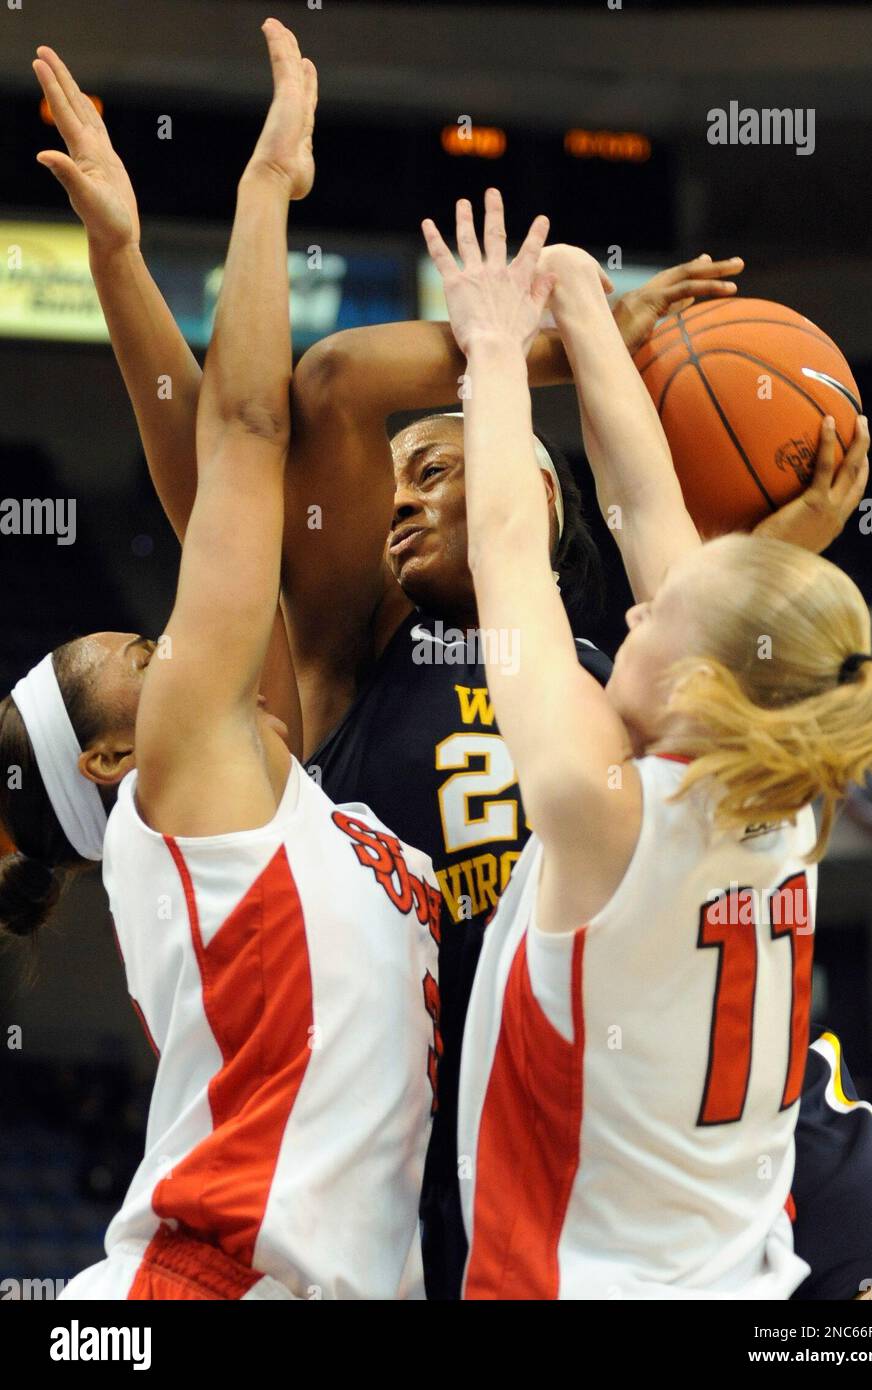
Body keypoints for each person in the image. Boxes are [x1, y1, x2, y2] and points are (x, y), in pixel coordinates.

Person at [31, 46, 872, 1302]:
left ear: (537, 491)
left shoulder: (620, 682)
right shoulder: (344, 664)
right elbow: (244, 464)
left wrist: (761, 554)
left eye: (440, 469)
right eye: (392, 483)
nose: (397, 497)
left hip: (665, 1111)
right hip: (488, 1151)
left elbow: (693, 584)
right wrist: (554, 345)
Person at [4, 20, 439, 1301]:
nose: (172, 634)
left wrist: (123, 259)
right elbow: (244, 439)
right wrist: (262, 193)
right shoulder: (189, 785)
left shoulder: (262, 800)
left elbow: (207, 495)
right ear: (114, 755)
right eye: (141, 649)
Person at [421, 189, 872, 1297]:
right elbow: (648, 518)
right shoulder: (787, 784)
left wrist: (494, 346)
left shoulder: (604, 812)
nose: (630, 616)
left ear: (698, 680)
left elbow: (507, 547)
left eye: (647, 621)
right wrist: (589, 312)